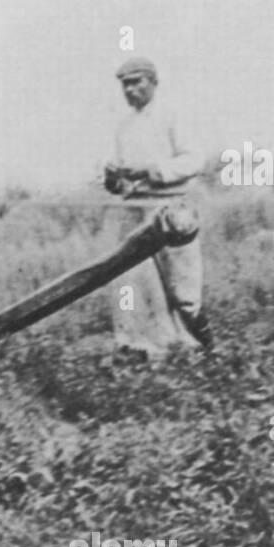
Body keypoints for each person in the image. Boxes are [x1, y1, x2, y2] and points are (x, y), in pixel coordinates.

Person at [102, 56, 213, 354]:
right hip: (137, 212)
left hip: (173, 211)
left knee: (182, 287)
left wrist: (153, 171)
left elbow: (194, 160)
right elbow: (120, 180)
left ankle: (206, 348)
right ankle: (147, 349)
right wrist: (113, 179)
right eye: (125, 85)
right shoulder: (124, 127)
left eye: (136, 82)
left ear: (153, 82)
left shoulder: (172, 115)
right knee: (135, 283)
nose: (130, 90)